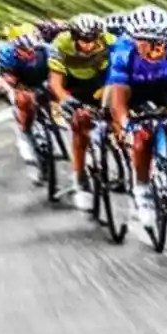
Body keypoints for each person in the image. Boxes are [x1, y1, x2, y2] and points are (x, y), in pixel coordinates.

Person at [105, 6, 167, 228]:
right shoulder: (123, 53)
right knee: (142, 137)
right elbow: (118, 99)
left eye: (162, 41)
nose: (157, 48)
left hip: (163, 90)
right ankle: (142, 189)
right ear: (135, 39)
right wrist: (125, 126)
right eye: (149, 42)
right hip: (133, 94)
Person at [48, 13, 117, 211]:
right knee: (80, 125)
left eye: (92, 40)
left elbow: (120, 73)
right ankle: (80, 179)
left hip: (100, 80)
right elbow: (55, 83)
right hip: (74, 85)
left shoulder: (110, 41)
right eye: (82, 41)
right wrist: (67, 101)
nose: (87, 46)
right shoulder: (61, 44)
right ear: (73, 37)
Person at [0, 25, 50, 180]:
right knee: (23, 104)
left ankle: (49, 122)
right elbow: (5, 80)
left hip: (39, 81)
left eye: (31, 50)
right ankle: (25, 137)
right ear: (16, 50)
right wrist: (9, 88)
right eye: (24, 52)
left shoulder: (44, 51)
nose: (28, 54)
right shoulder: (8, 55)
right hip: (19, 85)